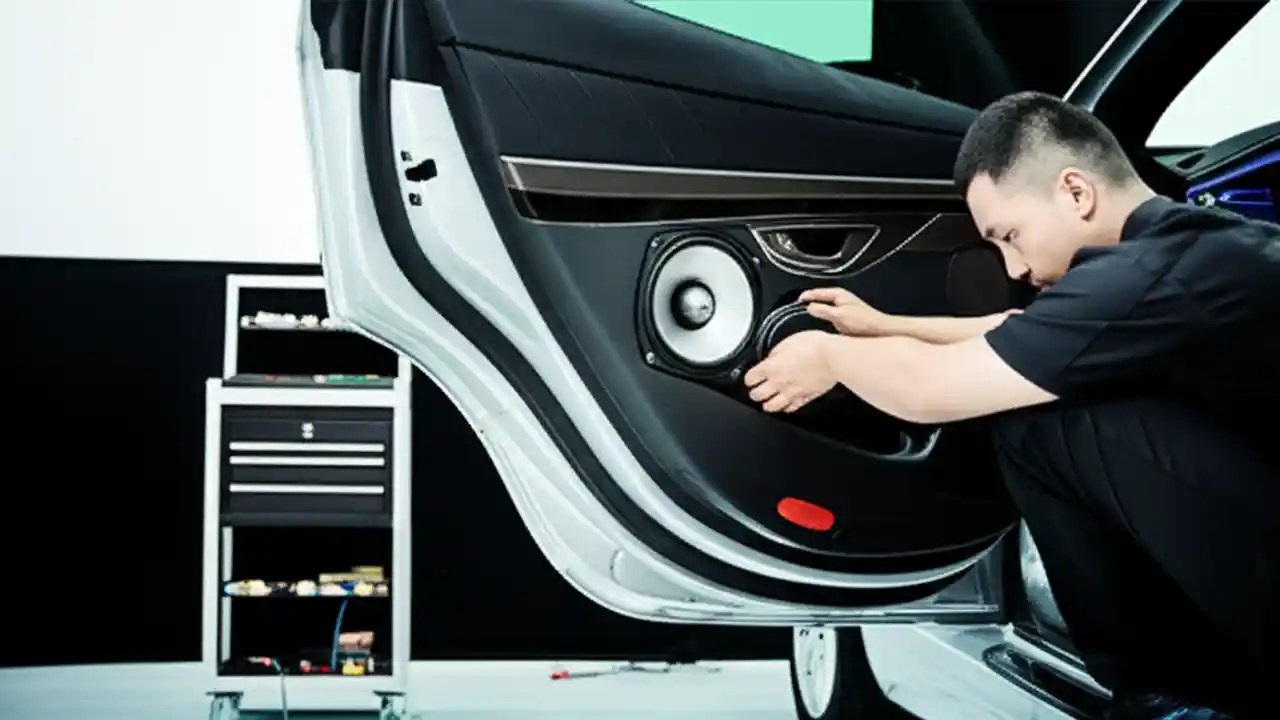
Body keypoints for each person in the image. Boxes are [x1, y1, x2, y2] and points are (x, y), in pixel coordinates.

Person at [743, 91, 1278, 719]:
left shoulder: (1153, 274)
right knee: (1055, 380)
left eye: (1010, 236)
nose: (1014, 265)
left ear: (1075, 192)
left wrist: (828, 358)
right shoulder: (1193, 251)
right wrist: (883, 327)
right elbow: (1017, 327)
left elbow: (933, 391)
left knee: (1038, 417)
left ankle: (1172, 696)